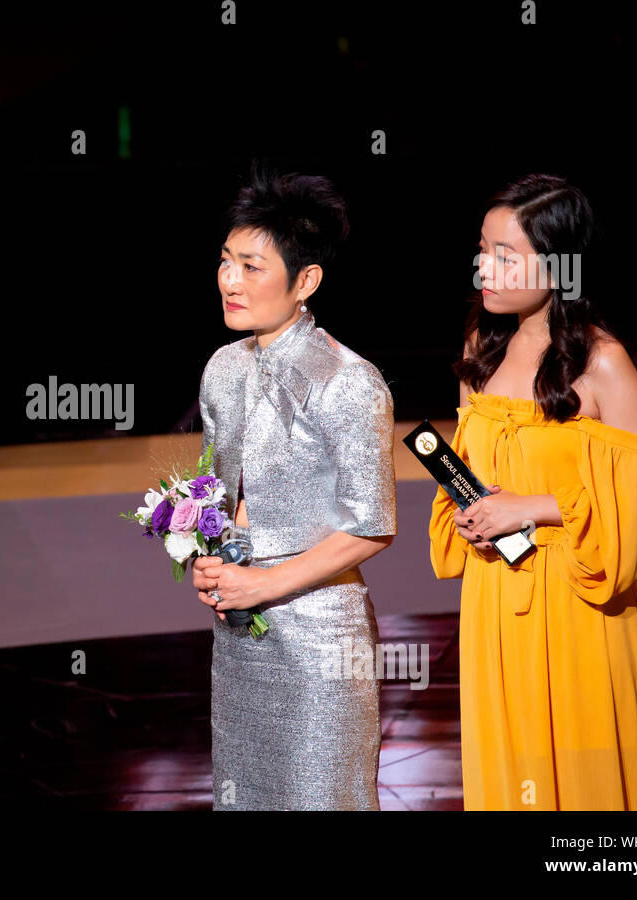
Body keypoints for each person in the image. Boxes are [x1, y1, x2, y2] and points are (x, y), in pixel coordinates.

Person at [428, 174, 637, 810]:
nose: (486, 266)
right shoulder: (481, 348)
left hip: (577, 604)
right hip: (494, 601)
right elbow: (470, 468)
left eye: (507, 255)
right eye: (482, 248)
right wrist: (471, 511)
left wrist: (534, 508)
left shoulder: (602, 364)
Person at [193, 168, 397, 810]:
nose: (229, 280)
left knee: (320, 795)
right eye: (226, 261)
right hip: (240, 635)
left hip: (319, 644)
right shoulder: (223, 369)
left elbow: (374, 524)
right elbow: (221, 493)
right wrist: (208, 561)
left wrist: (266, 583)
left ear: (305, 280)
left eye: (252, 267)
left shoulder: (350, 383)